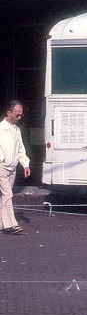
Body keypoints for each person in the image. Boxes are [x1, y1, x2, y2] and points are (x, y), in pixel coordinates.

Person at [0, 100, 31, 235]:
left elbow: (20, 149)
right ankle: (12, 224)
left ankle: (2, 225)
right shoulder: (1, 128)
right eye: (17, 115)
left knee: (4, 196)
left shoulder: (17, 129)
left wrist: (25, 164)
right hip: (1, 166)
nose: (19, 118)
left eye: (21, 115)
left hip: (12, 168)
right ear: (9, 113)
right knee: (8, 194)